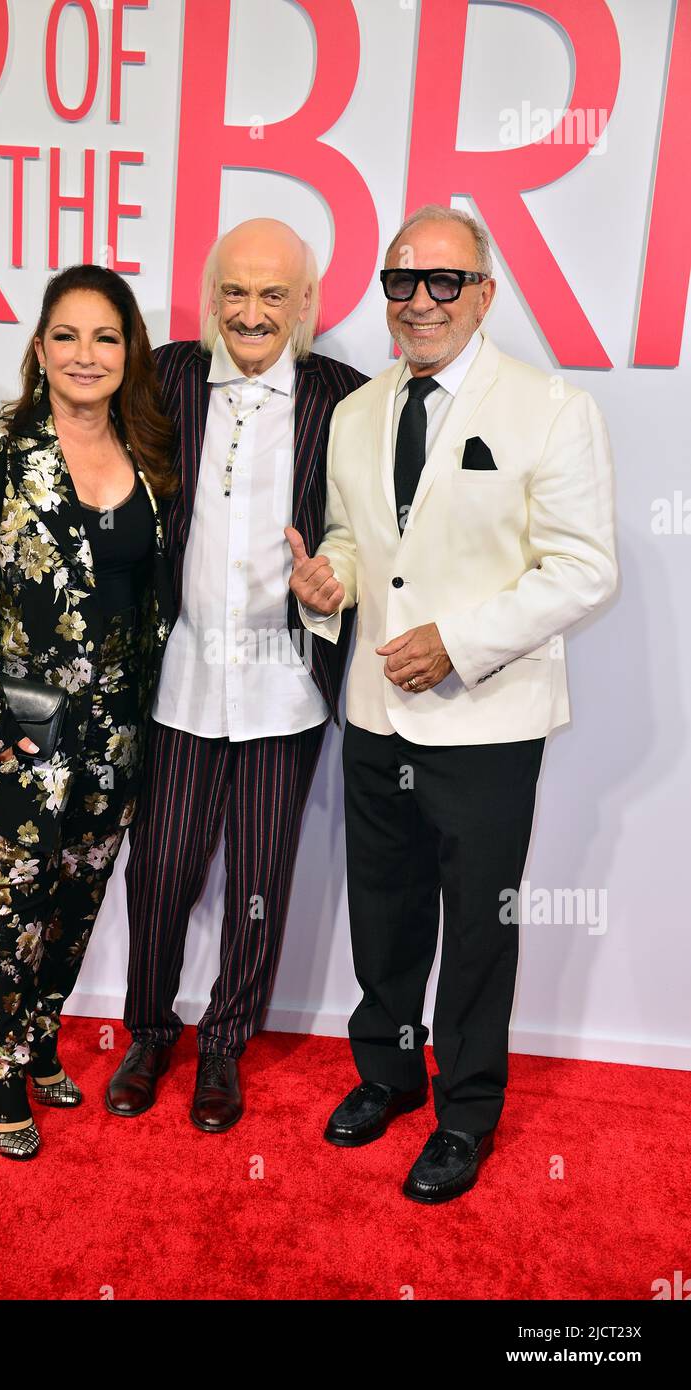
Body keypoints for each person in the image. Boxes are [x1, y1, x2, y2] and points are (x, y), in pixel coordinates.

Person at [289, 204, 617, 1202]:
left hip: (486, 719)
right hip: (375, 710)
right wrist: (331, 583)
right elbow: (354, 540)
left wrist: (460, 643)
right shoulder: (355, 412)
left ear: (482, 292)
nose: (419, 300)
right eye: (401, 281)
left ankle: (464, 1114)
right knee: (383, 913)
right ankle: (385, 1074)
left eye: (442, 281)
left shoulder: (551, 408)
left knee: (478, 925)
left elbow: (583, 569)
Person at [105, 218, 367, 1132]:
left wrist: (333, 578)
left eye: (273, 295)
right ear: (212, 296)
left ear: (306, 306)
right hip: (179, 678)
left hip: (284, 683)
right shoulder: (168, 376)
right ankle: (148, 1029)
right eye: (236, 291)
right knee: (162, 868)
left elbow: (370, 529)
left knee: (262, 875)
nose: (252, 312)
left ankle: (224, 1043)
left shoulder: (346, 400)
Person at [0, 264, 176, 1160]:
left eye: (105, 337)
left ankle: (39, 1040)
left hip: (119, 727)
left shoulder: (150, 454)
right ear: (40, 348)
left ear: (127, 352)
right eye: (66, 336)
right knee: (16, 903)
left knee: (78, 897)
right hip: (20, 727)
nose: (85, 354)